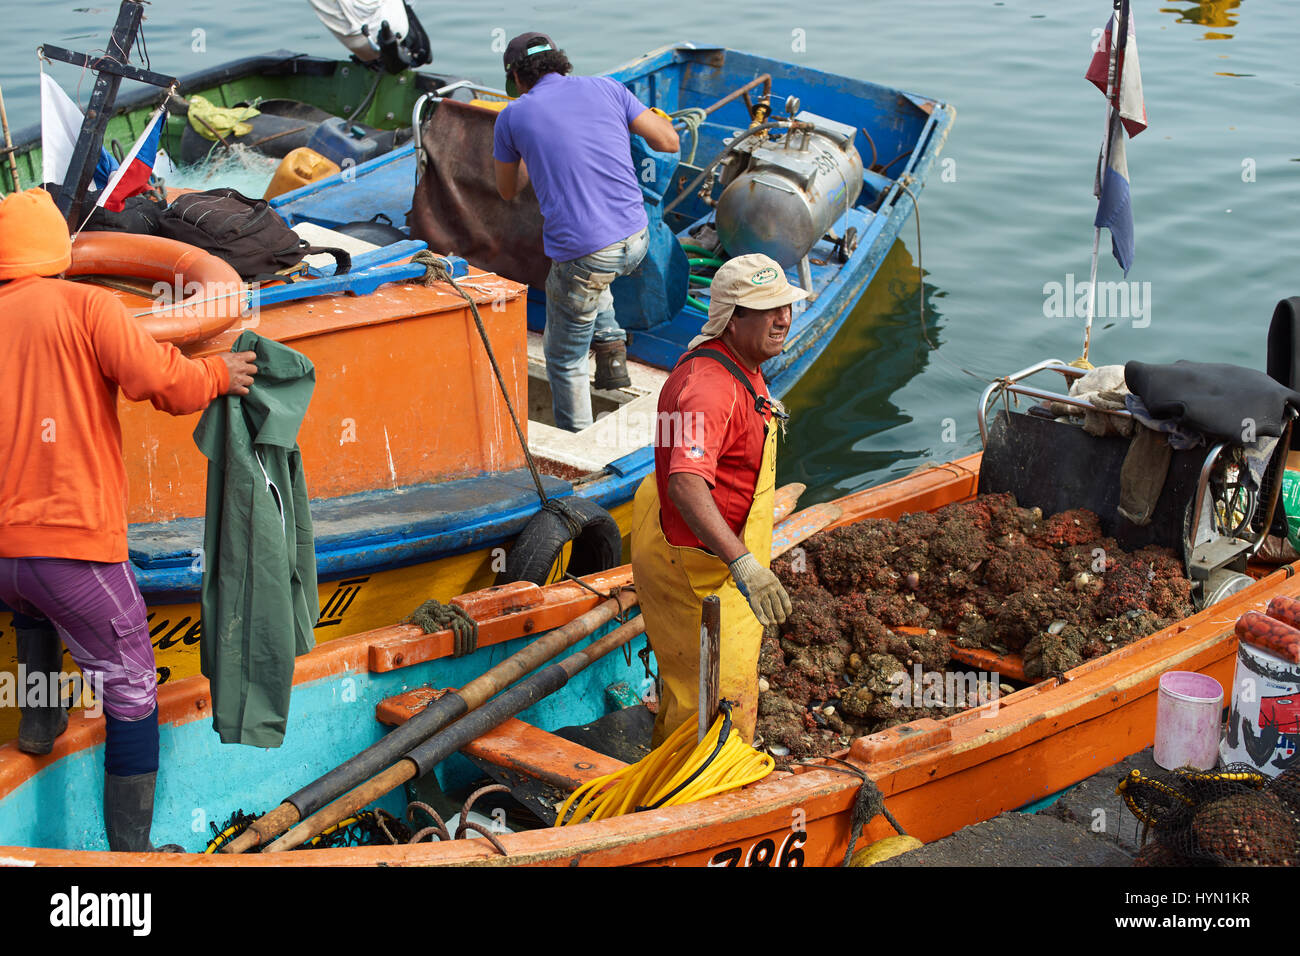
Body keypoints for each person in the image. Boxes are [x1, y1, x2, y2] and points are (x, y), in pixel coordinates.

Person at [0, 188, 256, 852]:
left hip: (4, 558)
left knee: (31, 598)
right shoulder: (88, 306)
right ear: (61, 253)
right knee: (132, 683)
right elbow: (161, 384)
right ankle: (132, 855)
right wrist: (218, 375)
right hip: (75, 548)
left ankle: (37, 723)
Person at [631, 253, 807, 747]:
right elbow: (687, 483)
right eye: (768, 310)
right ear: (733, 319)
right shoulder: (710, 389)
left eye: (786, 307)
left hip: (697, 547)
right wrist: (744, 563)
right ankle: (689, 802)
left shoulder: (739, 364)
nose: (783, 319)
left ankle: (677, 759)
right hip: (700, 570)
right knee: (712, 702)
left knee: (691, 684)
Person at [492, 32, 679, 431]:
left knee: (564, 356)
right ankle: (611, 345)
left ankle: (577, 436)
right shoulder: (608, 88)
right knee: (593, 263)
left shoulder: (512, 116)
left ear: (518, 79)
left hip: (591, 256)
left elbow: (508, 190)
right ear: (559, 64)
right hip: (637, 239)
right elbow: (667, 140)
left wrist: (530, 149)